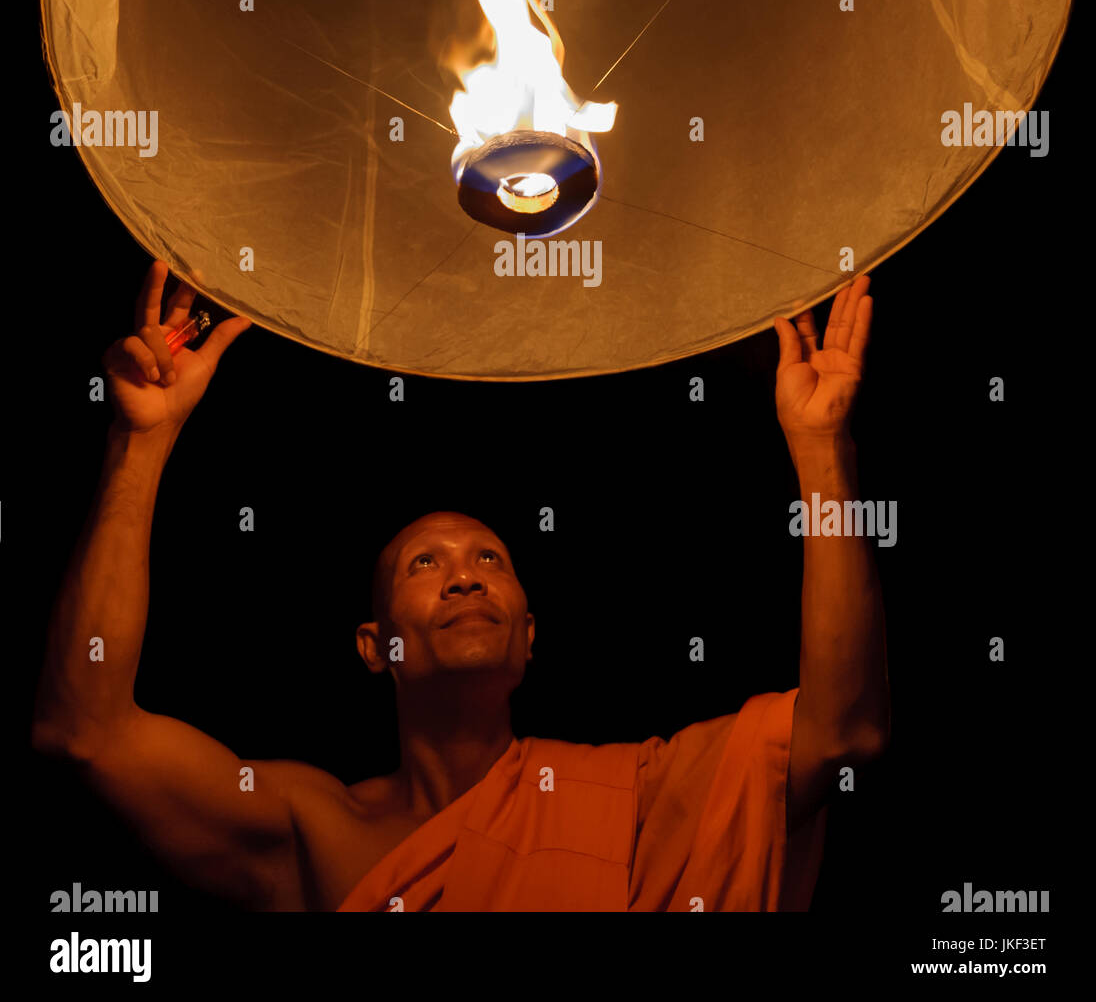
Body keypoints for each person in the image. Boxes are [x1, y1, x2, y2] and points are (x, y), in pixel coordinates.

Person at [33, 259, 889, 912]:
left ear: (528, 634)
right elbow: (85, 730)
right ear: (377, 647)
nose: (463, 579)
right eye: (424, 564)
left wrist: (820, 448)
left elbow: (842, 728)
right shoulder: (317, 827)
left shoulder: (642, 790)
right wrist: (138, 445)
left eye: (490, 560)